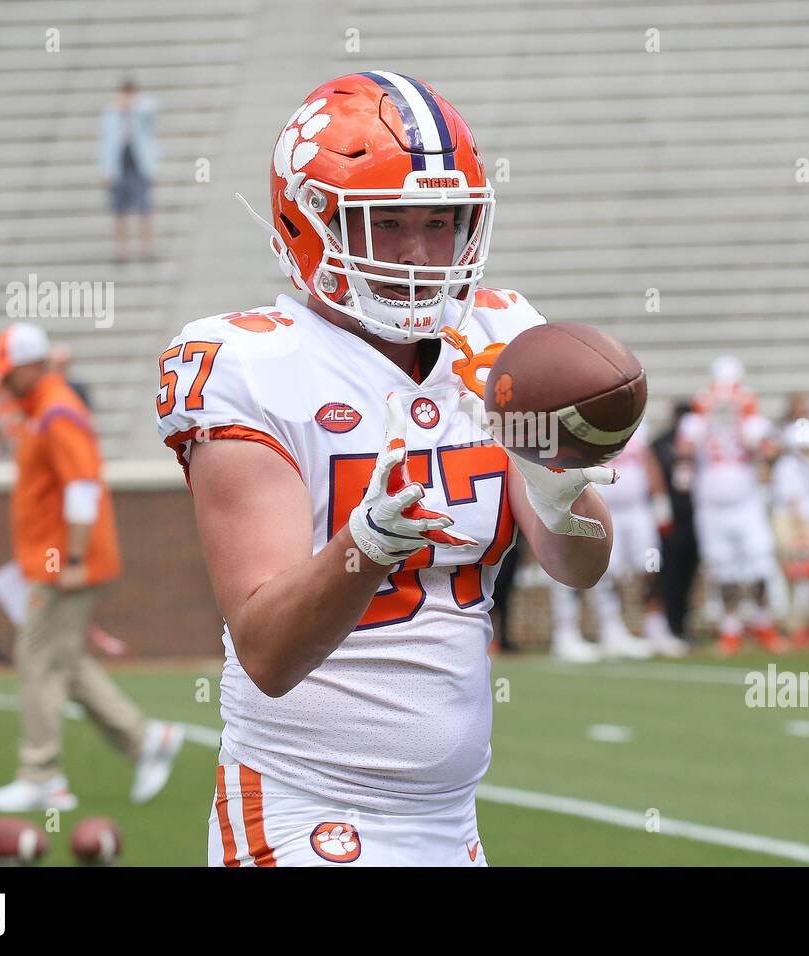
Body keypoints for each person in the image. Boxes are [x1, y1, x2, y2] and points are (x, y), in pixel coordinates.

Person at [157, 73, 616, 867]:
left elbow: (581, 566)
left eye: (441, 222)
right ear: (309, 223)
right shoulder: (251, 363)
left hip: (451, 821)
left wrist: (560, 482)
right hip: (303, 808)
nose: (418, 253)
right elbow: (266, 651)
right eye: (387, 224)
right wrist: (365, 545)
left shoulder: (502, 338)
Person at [0, 323, 183, 813]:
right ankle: (145, 740)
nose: (2, 383)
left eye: (8, 374)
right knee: (62, 662)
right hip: (51, 559)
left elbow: (82, 487)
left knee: (36, 660)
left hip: (62, 564)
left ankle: (42, 774)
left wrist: (70, 559)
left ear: (30, 366)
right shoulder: (43, 409)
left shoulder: (57, 411)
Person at [675, 356, 786, 655]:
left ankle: (762, 622)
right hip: (712, 503)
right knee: (722, 566)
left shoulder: (749, 418)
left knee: (760, 559)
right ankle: (731, 628)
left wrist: (759, 444)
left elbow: (769, 449)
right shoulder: (697, 419)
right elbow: (683, 450)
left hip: (745, 499)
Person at [549, 421, 684, 661]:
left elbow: (647, 460)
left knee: (650, 566)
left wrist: (660, 499)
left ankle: (655, 626)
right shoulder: (581, 425)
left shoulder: (634, 424)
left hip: (637, 508)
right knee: (608, 572)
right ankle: (610, 627)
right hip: (605, 508)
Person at [771, 416, 809, 646]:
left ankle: (807, 622)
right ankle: (794, 625)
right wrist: (802, 531)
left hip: (808, 519)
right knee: (794, 571)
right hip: (793, 521)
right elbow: (792, 500)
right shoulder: (788, 465)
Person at [98, 77, 159, 262]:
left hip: (139, 166)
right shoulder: (111, 113)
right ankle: (121, 251)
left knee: (145, 210)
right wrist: (105, 170)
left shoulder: (142, 111)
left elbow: (154, 107)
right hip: (119, 167)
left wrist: (133, 105)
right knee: (119, 213)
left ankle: (147, 249)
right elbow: (105, 143)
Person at [652, 402, 698, 640]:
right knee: (667, 572)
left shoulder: (699, 444)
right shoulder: (661, 444)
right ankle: (668, 625)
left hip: (695, 516)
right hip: (670, 519)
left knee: (690, 573)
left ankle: (682, 625)